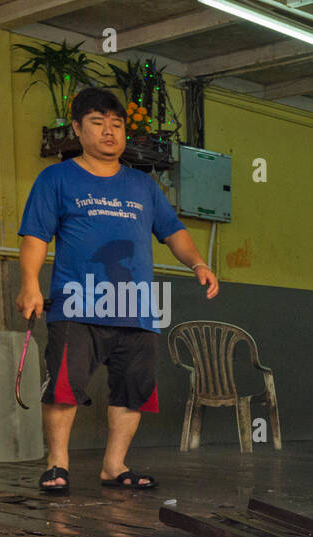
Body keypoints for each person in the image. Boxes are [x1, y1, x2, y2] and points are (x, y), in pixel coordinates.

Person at [16, 87, 218, 494]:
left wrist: (197, 262)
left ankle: (114, 465)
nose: (109, 131)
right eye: (97, 122)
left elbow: (173, 232)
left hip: (138, 307)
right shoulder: (56, 178)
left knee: (133, 388)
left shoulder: (142, 185)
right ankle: (58, 465)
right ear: (77, 128)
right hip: (77, 303)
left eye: (116, 124)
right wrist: (29, 285)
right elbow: (35, 235)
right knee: (64, 386)